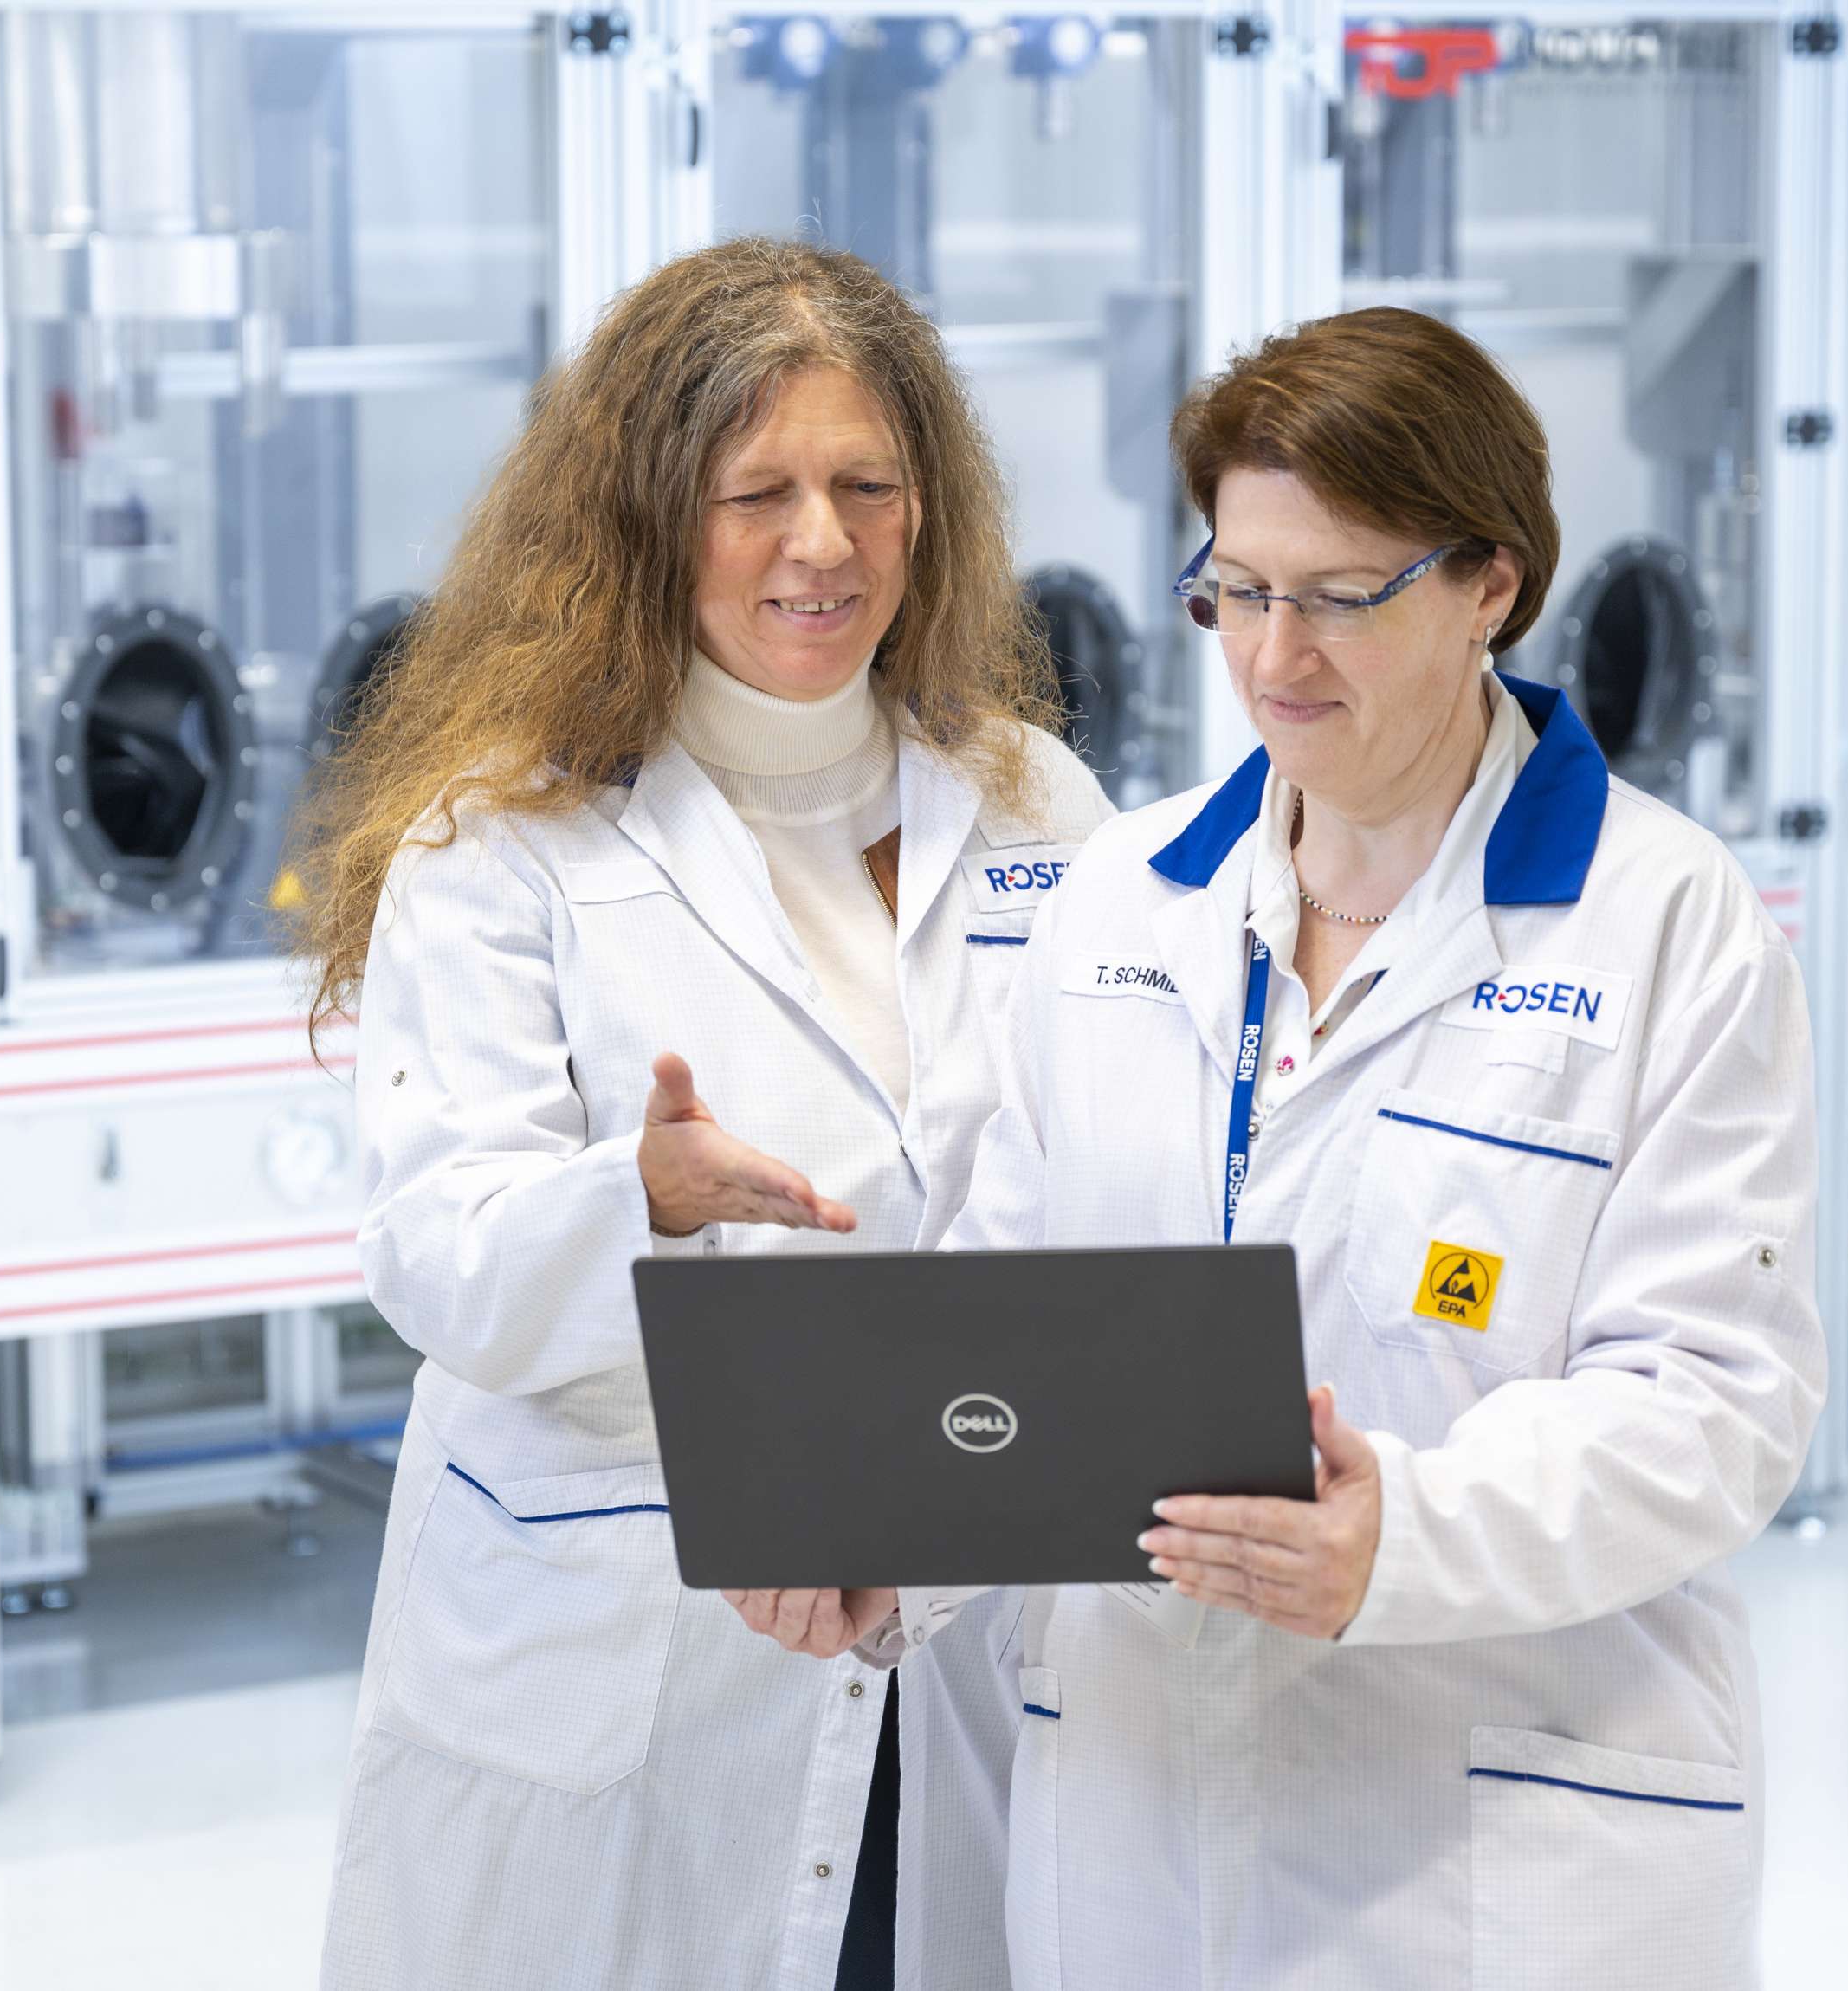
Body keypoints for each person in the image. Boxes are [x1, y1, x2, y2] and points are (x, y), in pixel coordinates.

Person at [933, 307, 1825, 1986]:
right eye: (1241, 591)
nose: (1277, 657)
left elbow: (1719, 1400)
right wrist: (892, 1551)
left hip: (1494, 1817)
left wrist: (1398, 1533)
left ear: (1493, 583)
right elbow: (1001, 1317)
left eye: (1343, 596)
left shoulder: (1663, 925)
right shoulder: (1120, 905)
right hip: (1132, 1794)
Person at [292, 236, 1112, 1991]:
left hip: (961, 1614)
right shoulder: (502, 838)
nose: (821, 544)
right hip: (636, 1649)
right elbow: (437, 1252)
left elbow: (1100, 1185)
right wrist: (635, 1200)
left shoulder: (1032, 803)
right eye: (757, 493)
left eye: (866, 486)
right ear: (652, 518)